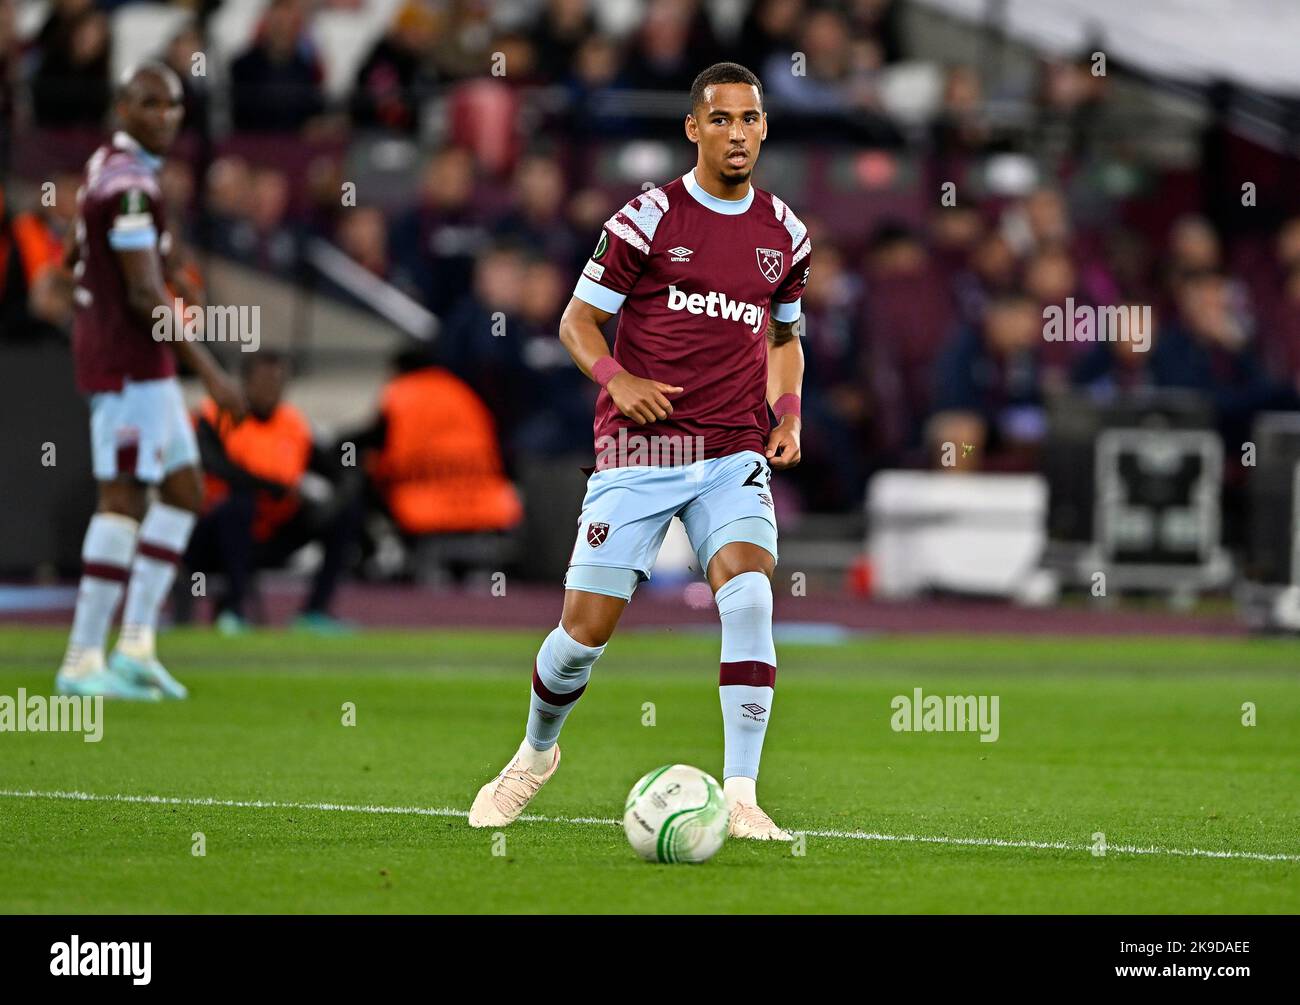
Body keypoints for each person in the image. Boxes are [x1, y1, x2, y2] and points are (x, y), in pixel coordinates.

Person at [468, 63, 810, 841]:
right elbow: (576, 323)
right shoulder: (647, 218)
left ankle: (743, 789)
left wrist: (785, 412)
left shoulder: (785, 233)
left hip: (731, 450)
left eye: (750, 119)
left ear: (764, 128)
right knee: (579, 639)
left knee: (751, 594)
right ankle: (535, 752)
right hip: (639, 450)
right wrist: (616, 379)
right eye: (720, 120)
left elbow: (785, 337)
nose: (737, 134)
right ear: (693, 127)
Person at [56, 61, 246, 701]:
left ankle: (135, 643)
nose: (164, 115)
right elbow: (142, 295)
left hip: (141, 362)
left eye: (172, 106)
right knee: (123, 497)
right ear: (122, 105)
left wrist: (170, 262)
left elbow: (77, 253)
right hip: (128, 361)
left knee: (186, 490)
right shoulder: (131, 186)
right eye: (150, 104)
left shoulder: (108, 166)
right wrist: (214, 373)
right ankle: (82, 658)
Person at [187, 352, 362, 635]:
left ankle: (314, 613)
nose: (272, 389)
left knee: (345, 511)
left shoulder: (294, 425)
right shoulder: (215, 416)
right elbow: (217, 467)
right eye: (264, 381)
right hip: (212, 535)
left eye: (278, 382)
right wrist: (276, 488)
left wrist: (342, 487)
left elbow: (334, 465)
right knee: (239, 505)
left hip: (269, 532)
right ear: (245, 383)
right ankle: (233, 613)